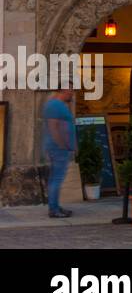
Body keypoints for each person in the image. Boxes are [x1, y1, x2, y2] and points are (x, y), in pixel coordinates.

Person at [43, 88, 77, 219]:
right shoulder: (54, 105)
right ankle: (53, 209)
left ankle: (55, 206)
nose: (72, 93)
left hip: (60, 148)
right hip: (57, 148)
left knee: (56, 178)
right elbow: (53, 127)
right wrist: (62, 145)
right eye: (70, 90)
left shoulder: (59, 105)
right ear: (62, 90)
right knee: (56, 179)